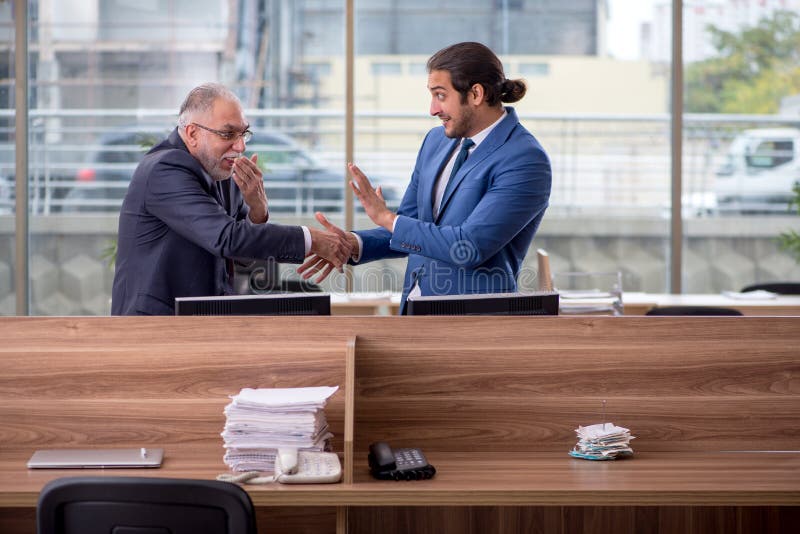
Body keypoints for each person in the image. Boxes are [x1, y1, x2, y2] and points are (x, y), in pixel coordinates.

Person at [300, 42, 552, 313]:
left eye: (440, 95)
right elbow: (414, 226)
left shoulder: (525, 159)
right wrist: (353, 244)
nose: (432, 109)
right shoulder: (436, 141)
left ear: (476, 94)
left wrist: (387, 218)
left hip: (474, 326)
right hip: (414, 312)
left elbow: (468, 247)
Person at [112, 83, 351, 315]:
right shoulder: (165, 168)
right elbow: (226, 238)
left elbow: (241, 255)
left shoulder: (222, 171)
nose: (240, 146)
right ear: (192, 133)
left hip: (201, 323)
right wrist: (311, 239)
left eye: (244, 133)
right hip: (153, 328)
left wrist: (257, 212)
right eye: (228, 134)